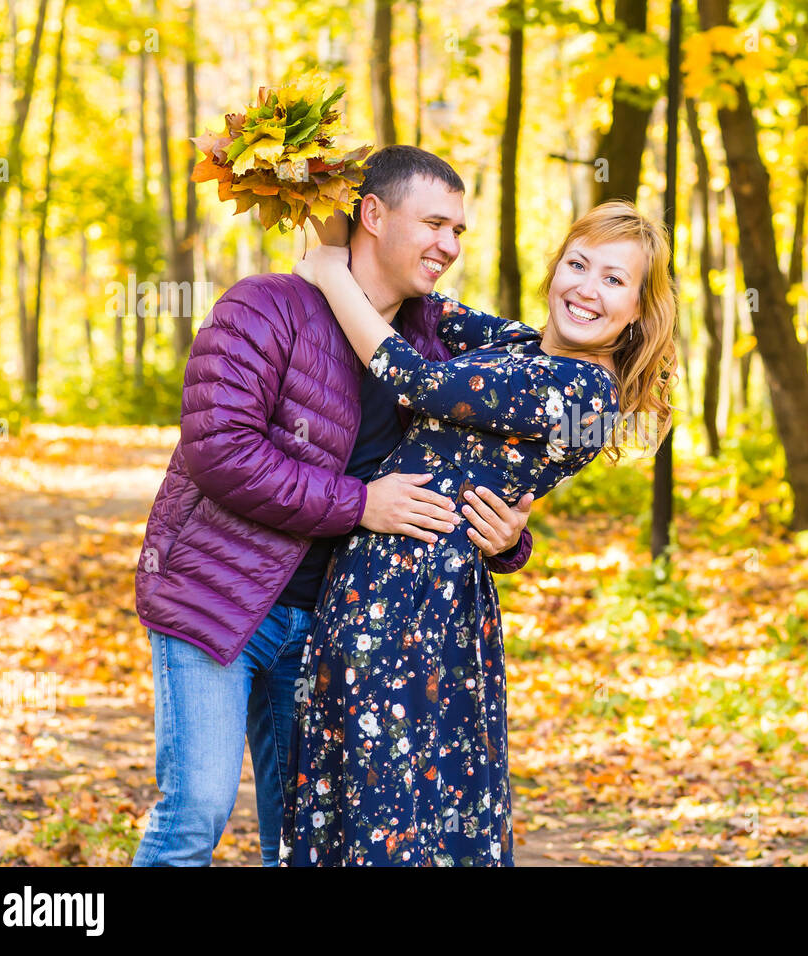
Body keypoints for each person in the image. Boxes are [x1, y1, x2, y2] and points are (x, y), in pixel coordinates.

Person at [132, 145, 537, 866]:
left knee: (299, 839)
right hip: (217, 599)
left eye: (460, 231)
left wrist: (505, 540)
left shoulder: (432, 348)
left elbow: (480, 447)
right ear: (373, 214)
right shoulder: (264, 306)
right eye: (435, 224)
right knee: (196, 808)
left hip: (330, 629)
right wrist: (360, 504)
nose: (449, 245)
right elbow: (218, 448)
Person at [281, 200, 678, 866]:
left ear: (638, 309)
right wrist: (332, 205)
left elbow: (413, 378)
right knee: (356, 799)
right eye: (577, 264)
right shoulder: (522, 348)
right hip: (373, 590)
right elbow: (424, 310)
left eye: (614, 280)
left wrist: (326, 271)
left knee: (397, 812)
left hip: (415, 612)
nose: (586, 287)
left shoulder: (583, 390)